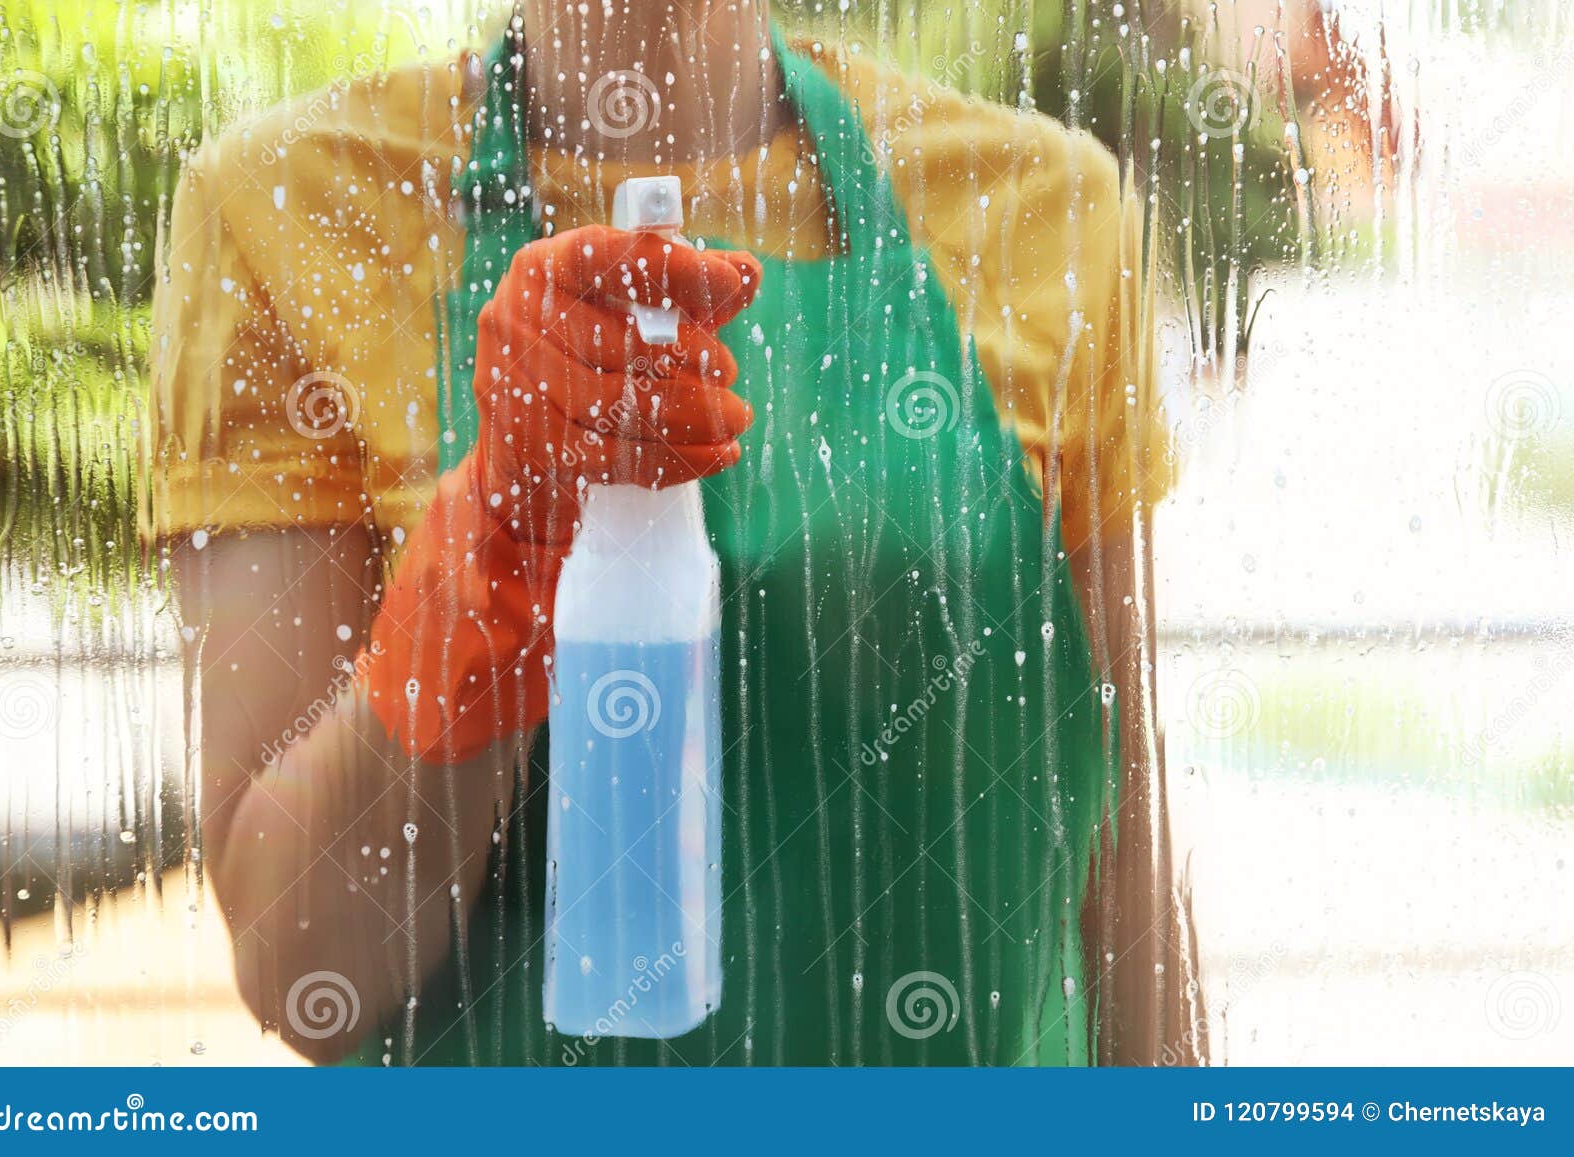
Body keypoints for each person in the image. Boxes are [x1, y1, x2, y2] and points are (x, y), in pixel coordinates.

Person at [151, 0, 1178, 1065]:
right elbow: (300, 963)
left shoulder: (1046, 204)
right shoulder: (287, 202)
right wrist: (498, 550)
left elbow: (1119, 838)